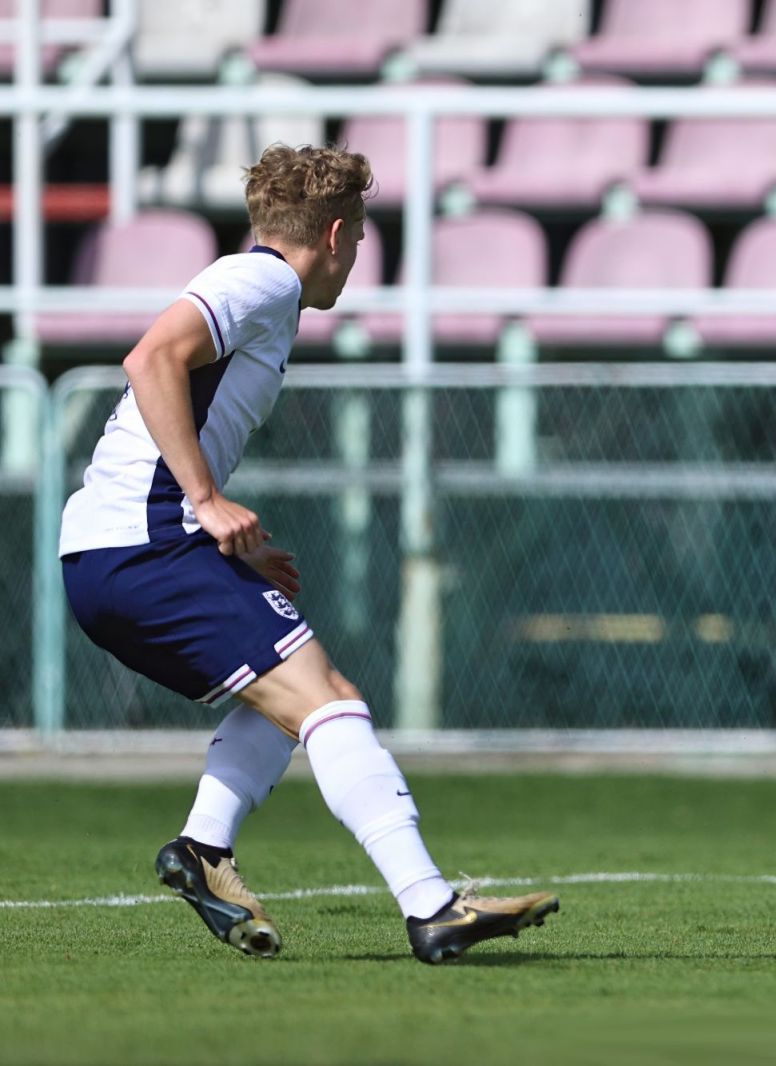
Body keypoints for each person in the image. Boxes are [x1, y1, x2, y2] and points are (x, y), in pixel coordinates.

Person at [59, 144, 557, 964]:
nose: (357, 258)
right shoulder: (264, 280)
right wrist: (204, 502)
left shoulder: (263, 291)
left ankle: (203, 850)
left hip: (120, 551)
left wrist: (216, 536)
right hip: (142, 543)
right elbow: (150, 359)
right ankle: (432, 907)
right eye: (359, 240)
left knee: (316, 697)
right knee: (326, 703)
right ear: (333, 234)